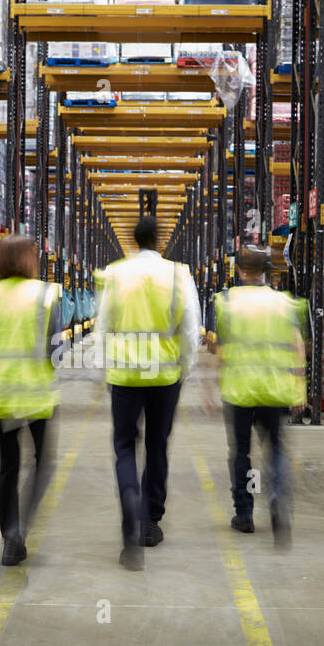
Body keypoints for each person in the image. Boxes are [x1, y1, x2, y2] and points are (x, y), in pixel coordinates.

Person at [96, 216, 200, 570]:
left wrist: (104, 368)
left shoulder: (115, 274)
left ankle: (129, 503)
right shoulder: (177, 274)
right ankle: (150, 521)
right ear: (159, 240)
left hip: (125, 375)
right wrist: (186, 368)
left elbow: (104, 324)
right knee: (156, 445)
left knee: (125, 446)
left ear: (133, 240)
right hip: (164, 375)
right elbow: (190, 327)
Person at [0, 236, 61, 566]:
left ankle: (9, 539)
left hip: (0, 394)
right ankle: (21, 529)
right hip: (36, 394)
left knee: (8, 466)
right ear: (30, 259)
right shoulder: (46, 295)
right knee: (43, 463)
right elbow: (56, 353)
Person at [211, 245, 309, 549]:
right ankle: (278, 501)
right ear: (265, 271)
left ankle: (246, 512)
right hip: (276, 388)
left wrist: (214, 383)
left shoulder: (226, 302)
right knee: (276, 448)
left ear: (239, 270)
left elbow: (222, 350)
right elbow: (297, 345)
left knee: (242, 452)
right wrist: (299, 386)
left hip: (240, 390)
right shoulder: (285, 303)